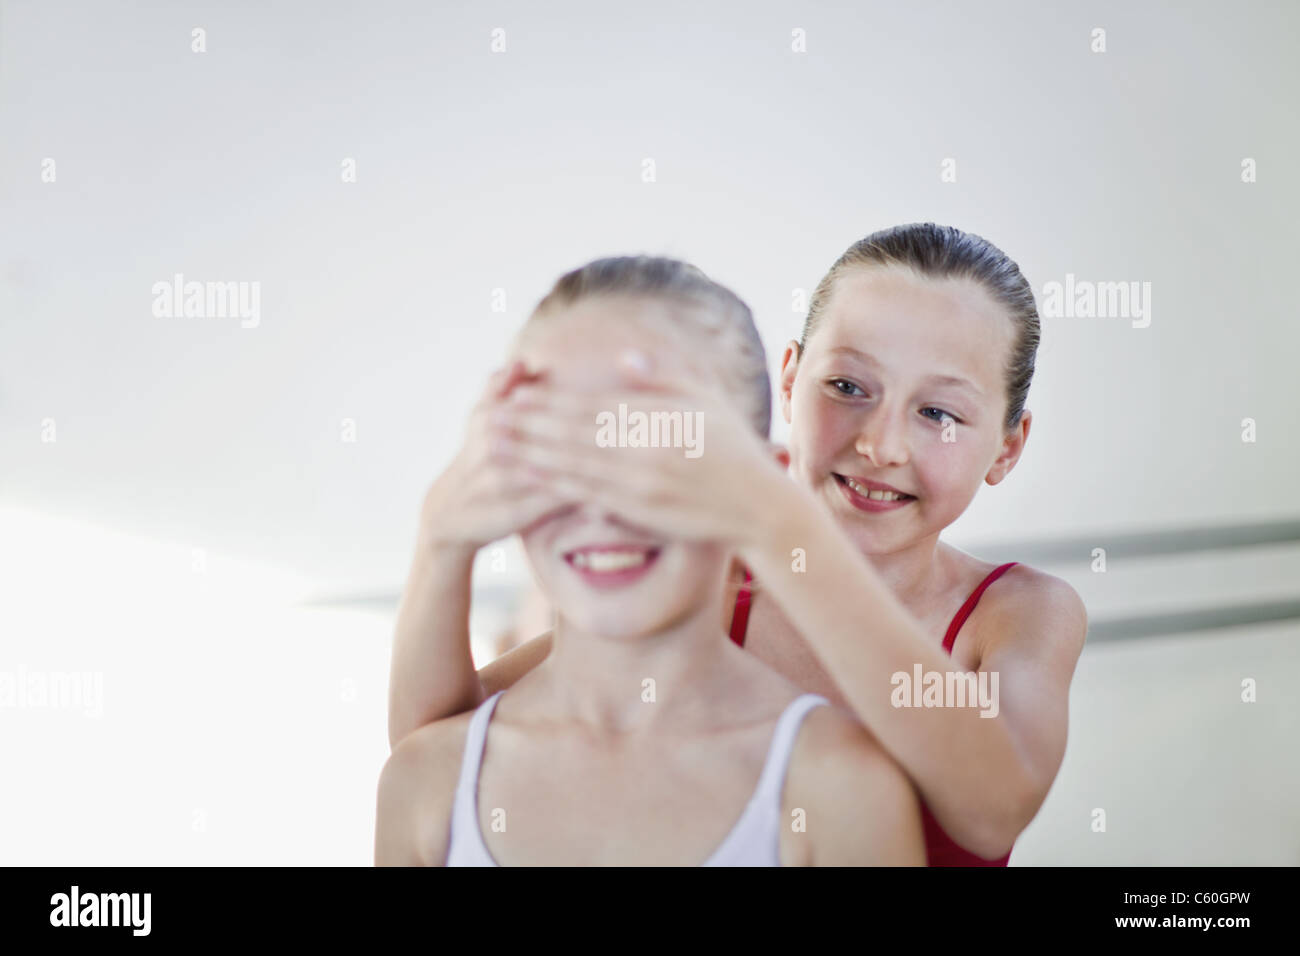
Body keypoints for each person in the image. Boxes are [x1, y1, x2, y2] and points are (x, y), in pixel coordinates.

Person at [389, 224, 1088, 865]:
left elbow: (993, 809)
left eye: (938, 412)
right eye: (846, 385)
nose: (880, 444)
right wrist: (439, 536)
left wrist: (774, 521)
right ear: (790, 379)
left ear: (1008, 445)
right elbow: (445, 747)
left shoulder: (1021, 613)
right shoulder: (718, 584)